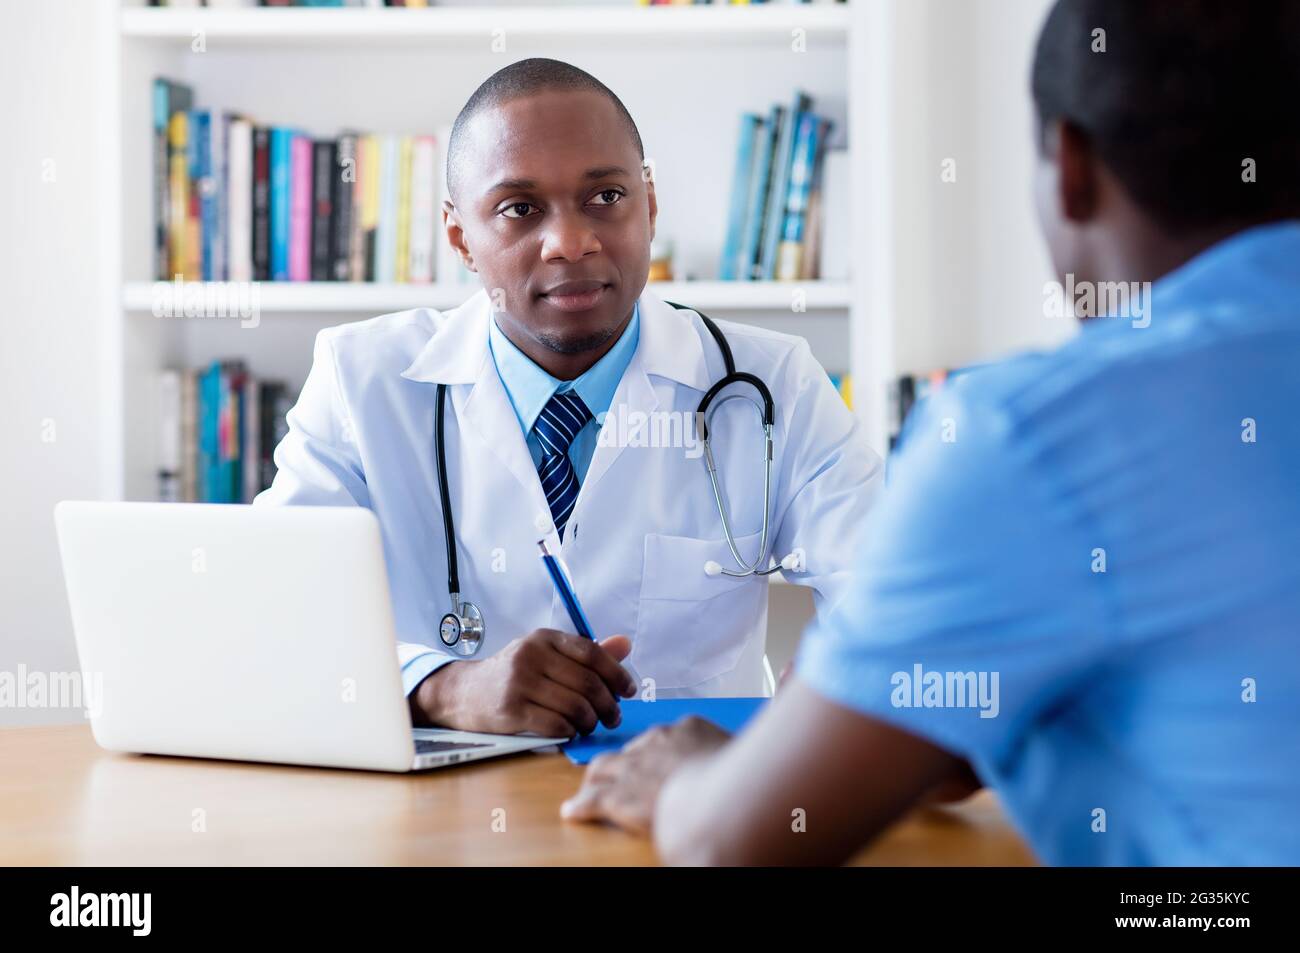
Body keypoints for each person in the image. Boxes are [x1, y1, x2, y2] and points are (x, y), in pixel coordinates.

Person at [560, 0, 1300, 866]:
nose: (569, 244)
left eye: (606, 197)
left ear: (1069, 167)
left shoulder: (1034, 435)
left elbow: (735, 840)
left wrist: (684, 777)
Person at [257, 59, 883, 738]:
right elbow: (274, 612)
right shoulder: (360, 380)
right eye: (520, 209)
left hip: (685, 808)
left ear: (650, 203)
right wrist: (441, 686)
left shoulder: (772, 383)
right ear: (461, 237)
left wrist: (839, 681)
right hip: (440, 820)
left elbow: (889, 592)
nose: (571, 242)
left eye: (606, 197)